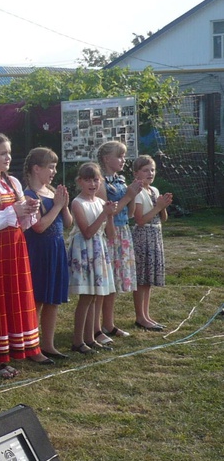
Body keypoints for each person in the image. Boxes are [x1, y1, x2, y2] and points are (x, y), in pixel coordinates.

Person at [0, 132, 50, 378]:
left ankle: (17, 348)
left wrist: (28, 211)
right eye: (2, 153)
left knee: (14, 296)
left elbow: (23, 223)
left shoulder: (13, 182)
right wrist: (13, 211)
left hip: (14, 246)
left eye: (9, 152)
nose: (8, 157)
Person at [22, 147, 73, 359]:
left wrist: (65, 205)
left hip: (56, 248)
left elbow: (68, 223)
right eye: (50, 167)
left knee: (53, 299)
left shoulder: (52, 192)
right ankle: (31, 346)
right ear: (36, 168)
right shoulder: (29, 195)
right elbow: (39, 226)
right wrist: (57, 205)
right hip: (39, 250)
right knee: (37, 299)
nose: (53, 171)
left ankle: (48, 344)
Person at [66, 162, 117, 354]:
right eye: (88, 180)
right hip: (84, 251)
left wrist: (110, 216)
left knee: (96, 296)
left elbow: (110, 235)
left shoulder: (99, 202)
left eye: (96, 179)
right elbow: (87, 232)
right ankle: (78, 340)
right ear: (80, 181)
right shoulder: (77, 203)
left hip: (99, 250)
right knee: (86, 297)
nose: (92, 184)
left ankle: (89, 338)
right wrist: (104, 213)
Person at [96, 141, 142, 342]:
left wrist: (133, 195)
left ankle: (109, 323)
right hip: (108, 231)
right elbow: (109, 210)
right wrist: (129, 195)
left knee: (114, 279)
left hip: (123, 230)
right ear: (107, 159)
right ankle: (96, 326)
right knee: (105, 279)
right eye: (120, 156)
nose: (123, 160)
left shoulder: (121, 180)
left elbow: (129, 213)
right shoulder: (100, 182)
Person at [131, 155, 172, 331]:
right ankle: (140, 316)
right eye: (146, 170)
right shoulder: (138, 192)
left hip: (155, 234)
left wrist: (163, 205)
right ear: (136, 173)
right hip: (142, 236)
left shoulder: (154, 190)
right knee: (141, 278)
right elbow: (139, 220)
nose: (150, 173)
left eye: (152, 170)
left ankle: (146, 314)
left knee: (148, 279)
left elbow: (162, 217)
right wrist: (157, 207)